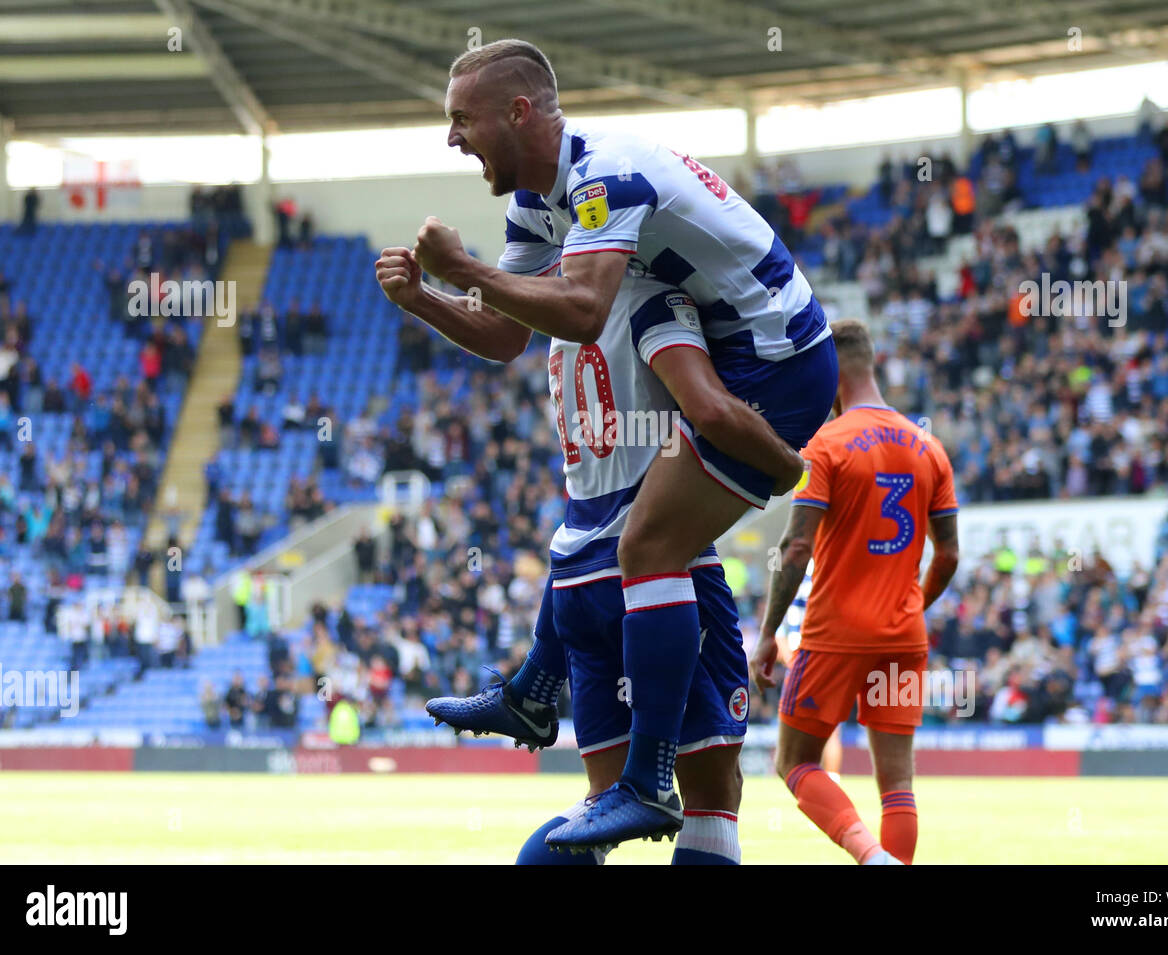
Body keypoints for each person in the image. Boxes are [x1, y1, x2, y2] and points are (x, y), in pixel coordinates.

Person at [380, 37, 836, 849]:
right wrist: (425, 298)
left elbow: (585, 309)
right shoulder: (540, 201)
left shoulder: (605, 175)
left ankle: (641, 775)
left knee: (646, 542)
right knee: (615, 533)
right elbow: (504, 336)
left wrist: (469, 267)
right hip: (715, 353)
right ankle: (541, 693)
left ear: (518, 112)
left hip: (777, 357)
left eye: (461, 120)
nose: (452, 138)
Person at [407, 267, 750, 863]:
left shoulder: (561, 326)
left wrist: (420, 295)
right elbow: (710, 410)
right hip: (663, 578)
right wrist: (777, 454)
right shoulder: (651, 299)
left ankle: (529, 693)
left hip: (577, 575)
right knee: (711, 799)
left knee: (597, 801)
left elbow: (499, 337)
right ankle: (532, 698)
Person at [752, 320, 960, 865]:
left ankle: (871, 857)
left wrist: (769, 633)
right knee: (897, 785)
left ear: (832, 370)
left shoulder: (824, 445)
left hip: (835, 632)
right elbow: (951, 555)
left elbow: (796, 549)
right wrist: (914, 602)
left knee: (794, 761)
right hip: (903, 634)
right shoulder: (929, 447)